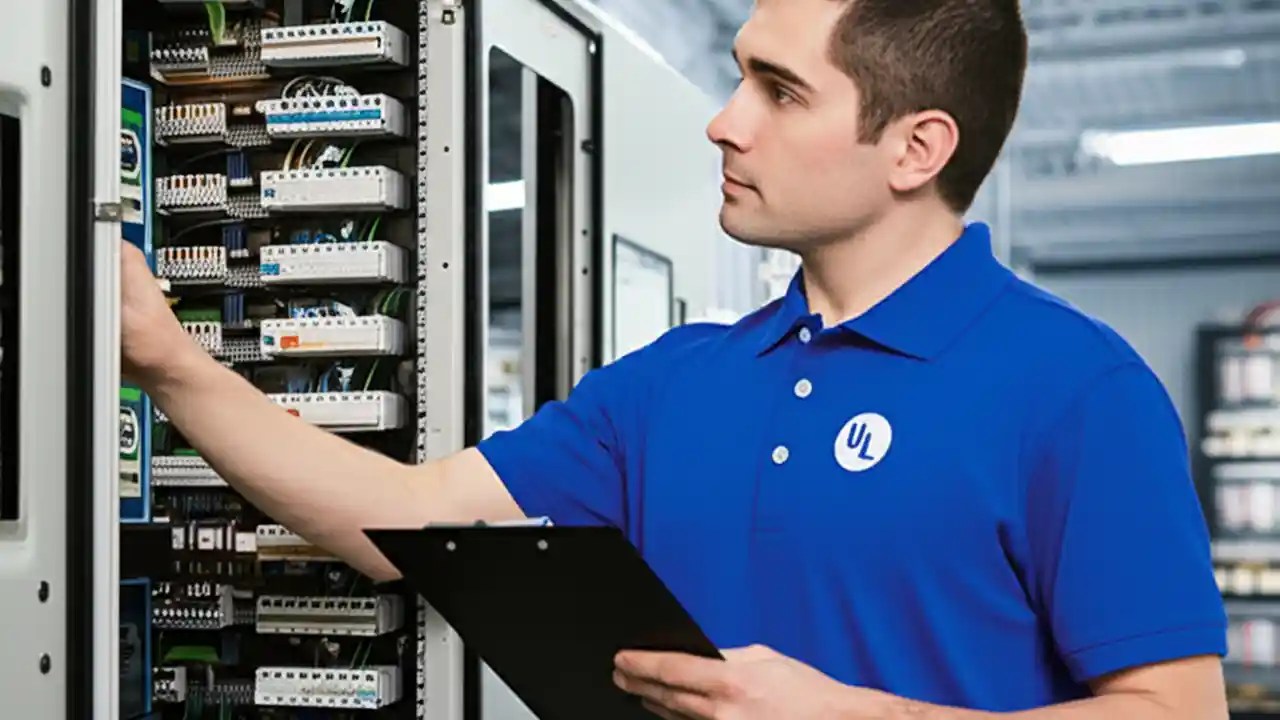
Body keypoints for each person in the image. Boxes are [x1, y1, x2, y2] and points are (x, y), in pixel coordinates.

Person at [121, 0, 1230, 717]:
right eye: (740, 75)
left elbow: (1171, 711)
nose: (722, 122)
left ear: (914, 147)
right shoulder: (675, 382)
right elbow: (397, 522)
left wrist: (849, 718)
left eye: (779, 92)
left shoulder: (1075, 389)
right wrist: (169, 361)